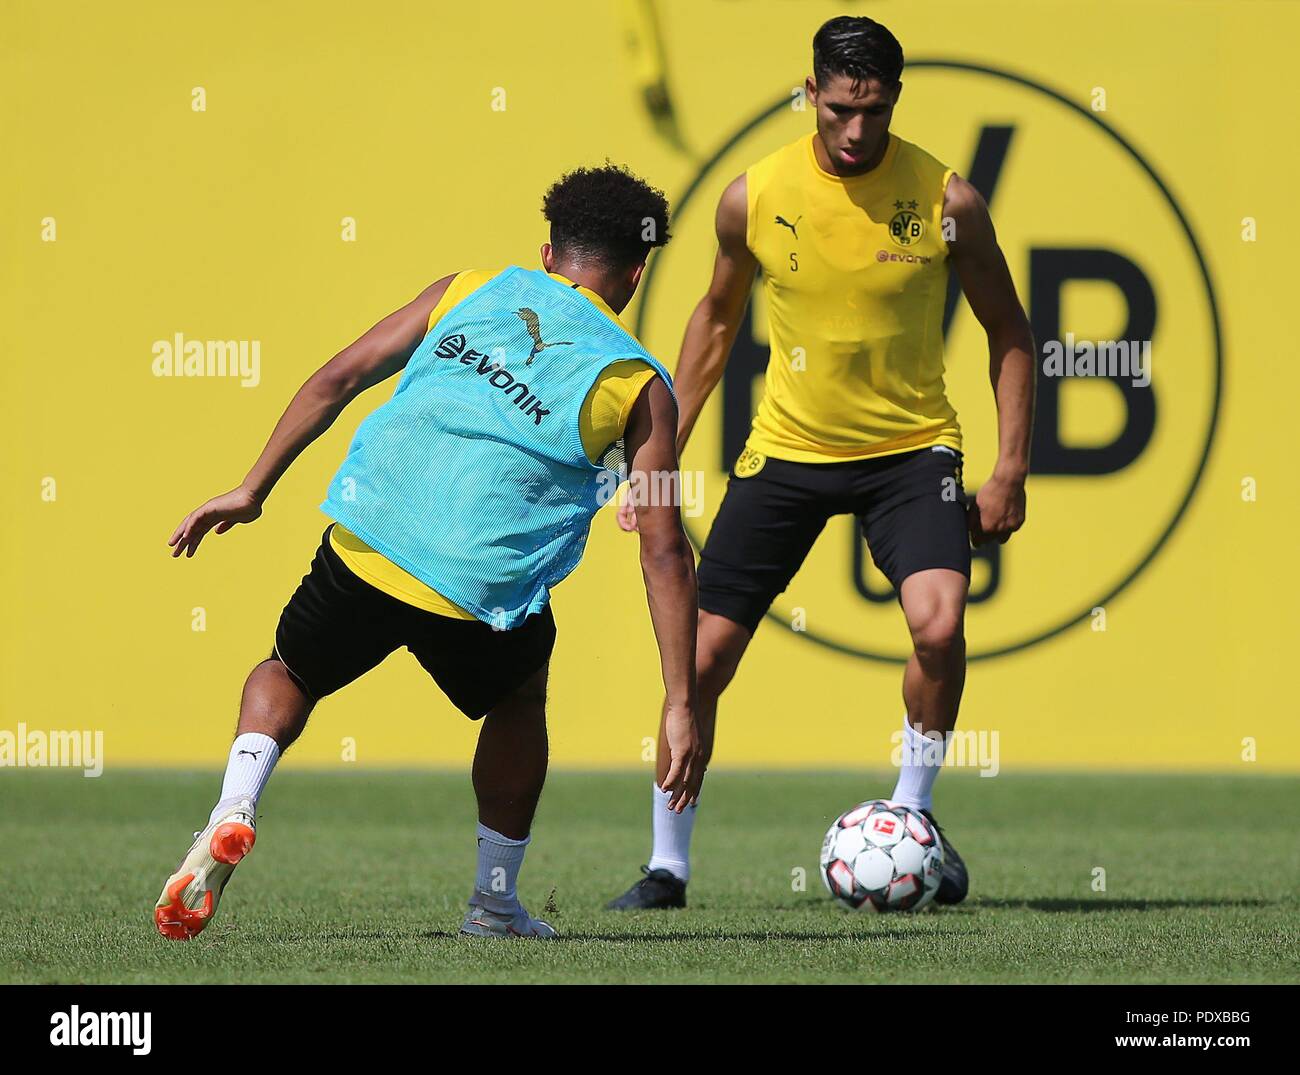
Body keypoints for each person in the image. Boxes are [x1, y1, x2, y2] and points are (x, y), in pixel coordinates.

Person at [156, 164, 702, 941]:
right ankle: (492, 904)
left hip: (372, 534)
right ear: (638, 271)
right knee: (518, 699)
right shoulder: (636, 380)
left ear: (547, 253)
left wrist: (253, 487)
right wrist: (679, 702)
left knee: (290, 670)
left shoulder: (468, 287)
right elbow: (663, 551)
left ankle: (235, 802)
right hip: (477, 586)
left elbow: (341, 374)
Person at [607, 15, 1034, 911]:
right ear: (811, 94)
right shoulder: (753, 196)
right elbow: (715, 325)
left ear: (894, 102)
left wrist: (1008, 468)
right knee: (702, 657)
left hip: (913, 448)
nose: (856, 131)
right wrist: (658, 458)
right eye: (840, 109)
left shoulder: (948, 200)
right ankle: (667, 866)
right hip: (789, 451)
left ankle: (915, 816)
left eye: (874, 112)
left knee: (940, 626)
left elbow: (1009, 331)